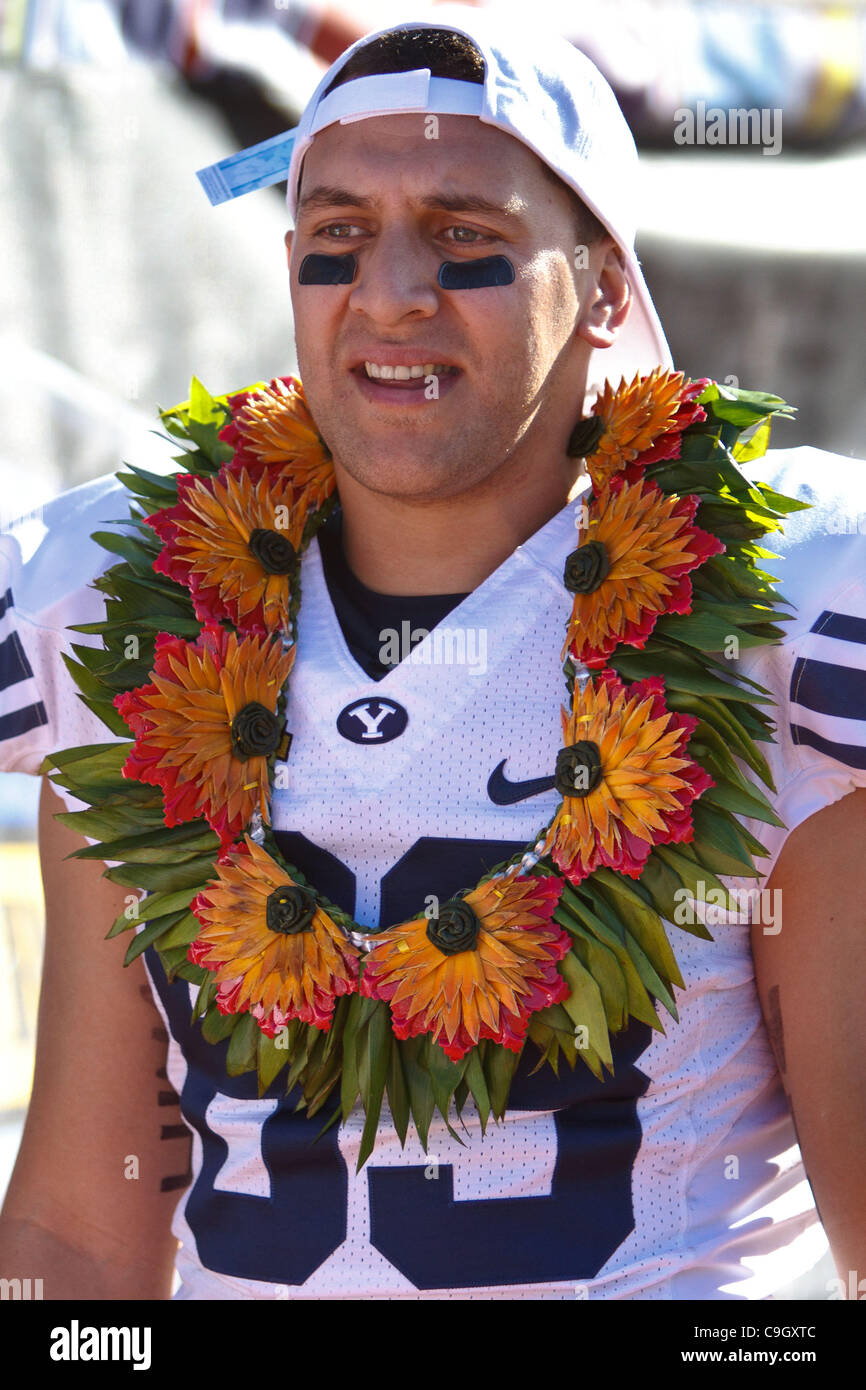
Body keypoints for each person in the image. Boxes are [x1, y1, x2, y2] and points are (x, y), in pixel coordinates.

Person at [1, 8, 865, 1302]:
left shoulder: (768, 616)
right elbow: (82, 1230)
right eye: (337, 238)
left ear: (606, 285)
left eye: (465, 238)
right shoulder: (129, 611)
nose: (390, 292)